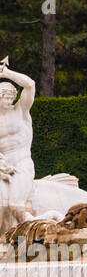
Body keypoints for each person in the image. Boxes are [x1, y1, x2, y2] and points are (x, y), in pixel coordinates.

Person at [0, 58, 36, 229]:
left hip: (22, 163)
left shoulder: (21, 110)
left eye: (11, 97)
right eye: (5, 98)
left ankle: (32, 234)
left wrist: (6, 74)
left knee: (15, 204)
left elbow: (29, 84)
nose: (9, 101)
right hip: (3, 166)